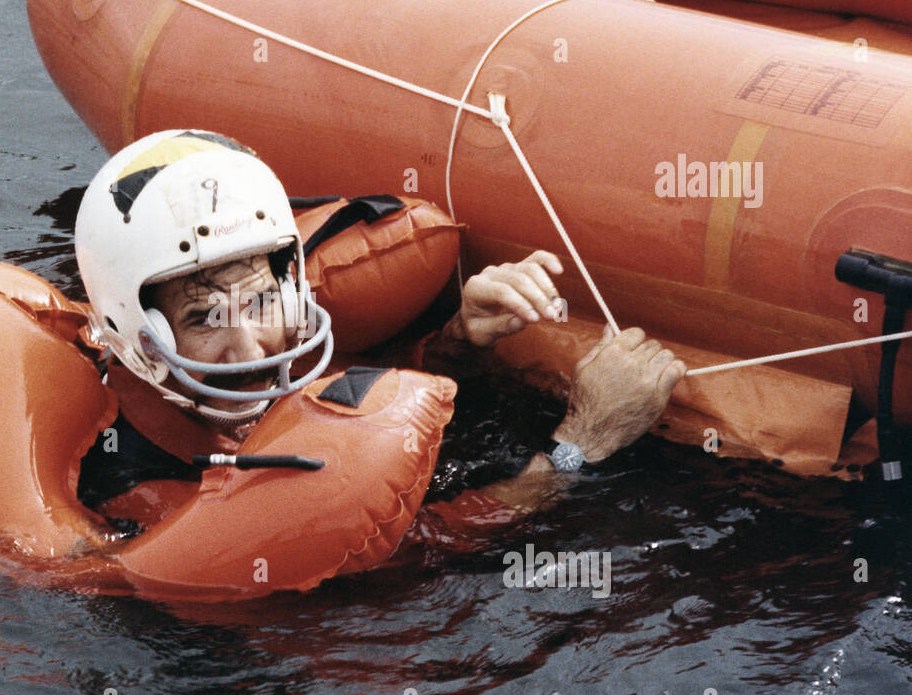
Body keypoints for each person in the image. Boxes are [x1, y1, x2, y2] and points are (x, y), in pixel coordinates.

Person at [72, 129, 686, 528]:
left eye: (260, 301)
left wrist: (462, 341)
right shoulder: (142, 491)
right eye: (205, 317)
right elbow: (420, 546)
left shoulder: (241, 376)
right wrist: (586, 439)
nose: (253, 348)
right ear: (136, 336)